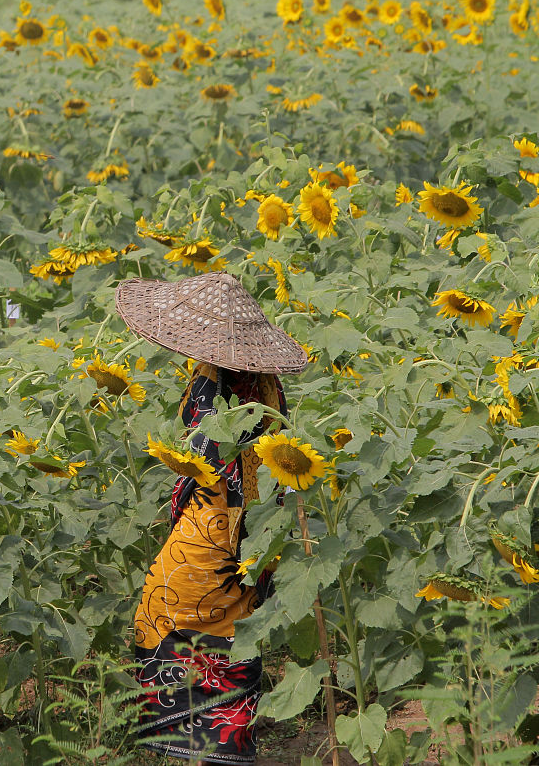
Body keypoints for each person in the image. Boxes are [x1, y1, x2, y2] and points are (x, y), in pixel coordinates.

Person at [114, 273, 309, 765]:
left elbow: (207, 458)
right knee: (230, 625)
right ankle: (219, 743)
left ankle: (206, 746)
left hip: (217, 525)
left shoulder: (213, 386)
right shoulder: (265, 383)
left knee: (174, 610)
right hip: (253, 527)